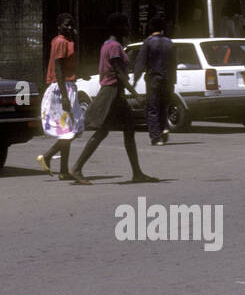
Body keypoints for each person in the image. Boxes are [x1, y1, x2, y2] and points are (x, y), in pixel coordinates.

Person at [70, 11, 158, 184]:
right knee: (104, 131)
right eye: (124, 24)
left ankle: (137, 172)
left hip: (114, 92)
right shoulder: (114, 47)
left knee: (126, 130)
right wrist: (135, 95)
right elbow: (119, 74)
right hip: (112, 92)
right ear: (117, 27)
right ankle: (77, 168)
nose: (127, 27)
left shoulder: (109, 45)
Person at [37, 13, 83, 179]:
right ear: (59, 26)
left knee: (68, 130)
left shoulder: (68, 42)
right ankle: (47, 156)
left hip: (67, 86)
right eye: (66, 25)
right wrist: (64, 96)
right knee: (73, 129)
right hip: (62, 88)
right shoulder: (60, 42)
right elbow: (58, 69)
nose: (69, 28)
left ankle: (63, 170)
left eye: (71, 25)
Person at [133, 16, 175, 146]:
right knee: (163, 106)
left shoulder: (148, 42)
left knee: (152, 108)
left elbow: (140, 62)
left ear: (151, 28)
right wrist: (173, 82)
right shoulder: (169, 43)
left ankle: (156, 137)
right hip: (167, 80)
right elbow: (174, 64)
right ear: (162, 28)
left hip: (153, 79)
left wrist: (135, 79)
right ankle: (164, 129)